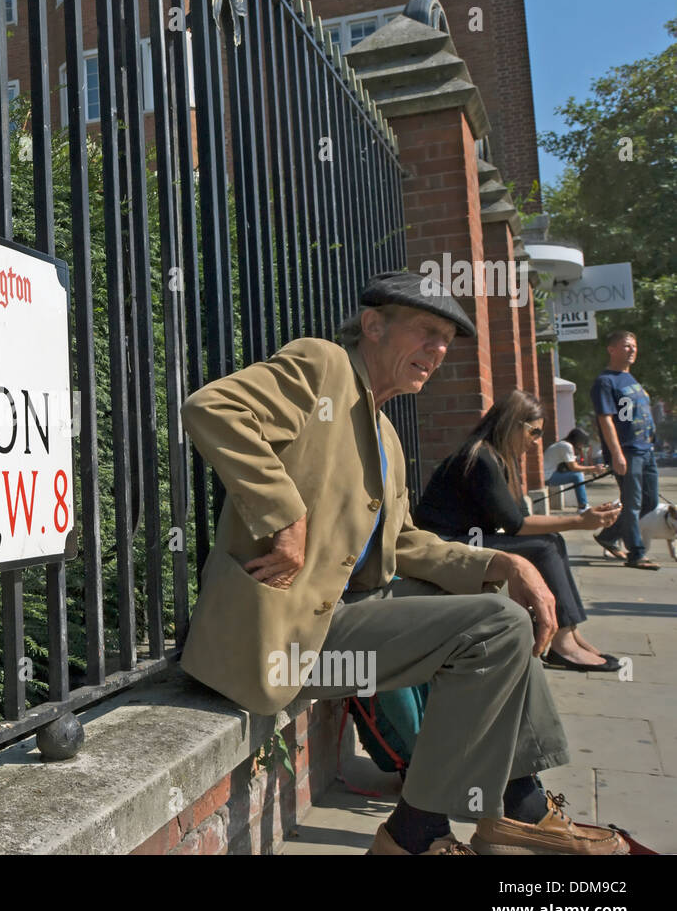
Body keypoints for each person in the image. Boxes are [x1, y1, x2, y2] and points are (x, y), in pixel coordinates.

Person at [179, 270, 629, 855]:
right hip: (285, 649)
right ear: (372, 326)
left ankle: (516, 809)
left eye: (446, 342)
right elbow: (213, 407)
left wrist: (505, 564)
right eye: (426, 333)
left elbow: (407, 542)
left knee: (498, 607)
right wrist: (283, 514)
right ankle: (417, 835)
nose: (437, 351)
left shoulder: (386, 433)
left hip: (344, 644)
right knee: (495, 626)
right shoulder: (324, 368)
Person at [414, 392, 622, 673]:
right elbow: (517, 525)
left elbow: (516, 520)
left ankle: (569, 631)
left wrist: (582, 519)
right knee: (545, 546)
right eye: (534, 432)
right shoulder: (481, 459)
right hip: (444, 546)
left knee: (551, 541)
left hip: (463, 538)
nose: (536, 442)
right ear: (512, 424)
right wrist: (580, 520)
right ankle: (563, 643)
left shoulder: (492, 456)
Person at [592, 330, 661, 569]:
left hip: (646, 450)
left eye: (634, 346)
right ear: (612, 349)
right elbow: (606, 419)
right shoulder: (606, 381)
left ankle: (608, 536)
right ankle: (637, 554)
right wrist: (617, 454)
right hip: (628, 452)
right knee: (631, 504)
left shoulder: (631, 379)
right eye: (626, 346)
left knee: (649, 502)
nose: (632, 350)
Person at [543, 427, 606, 513]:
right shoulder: (566, 446)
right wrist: (594, 468)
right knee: (577, 475)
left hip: (547, 475)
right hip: (547, 477)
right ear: (578, 441)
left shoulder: (563, 444)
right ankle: (583, 506)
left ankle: (583, 505)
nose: (583, 445)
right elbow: (574, 467)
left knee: (578, 474)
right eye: (582, 443)